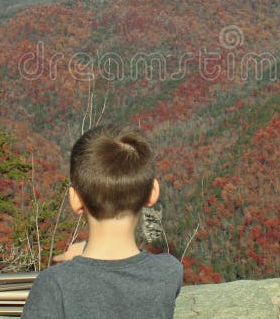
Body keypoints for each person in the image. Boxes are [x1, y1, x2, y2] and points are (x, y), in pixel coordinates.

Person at [21, 124, 183, 318]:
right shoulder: (168, 271)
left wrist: (81, 257)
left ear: (75, 199)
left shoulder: (54, 284)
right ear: (153, 193)